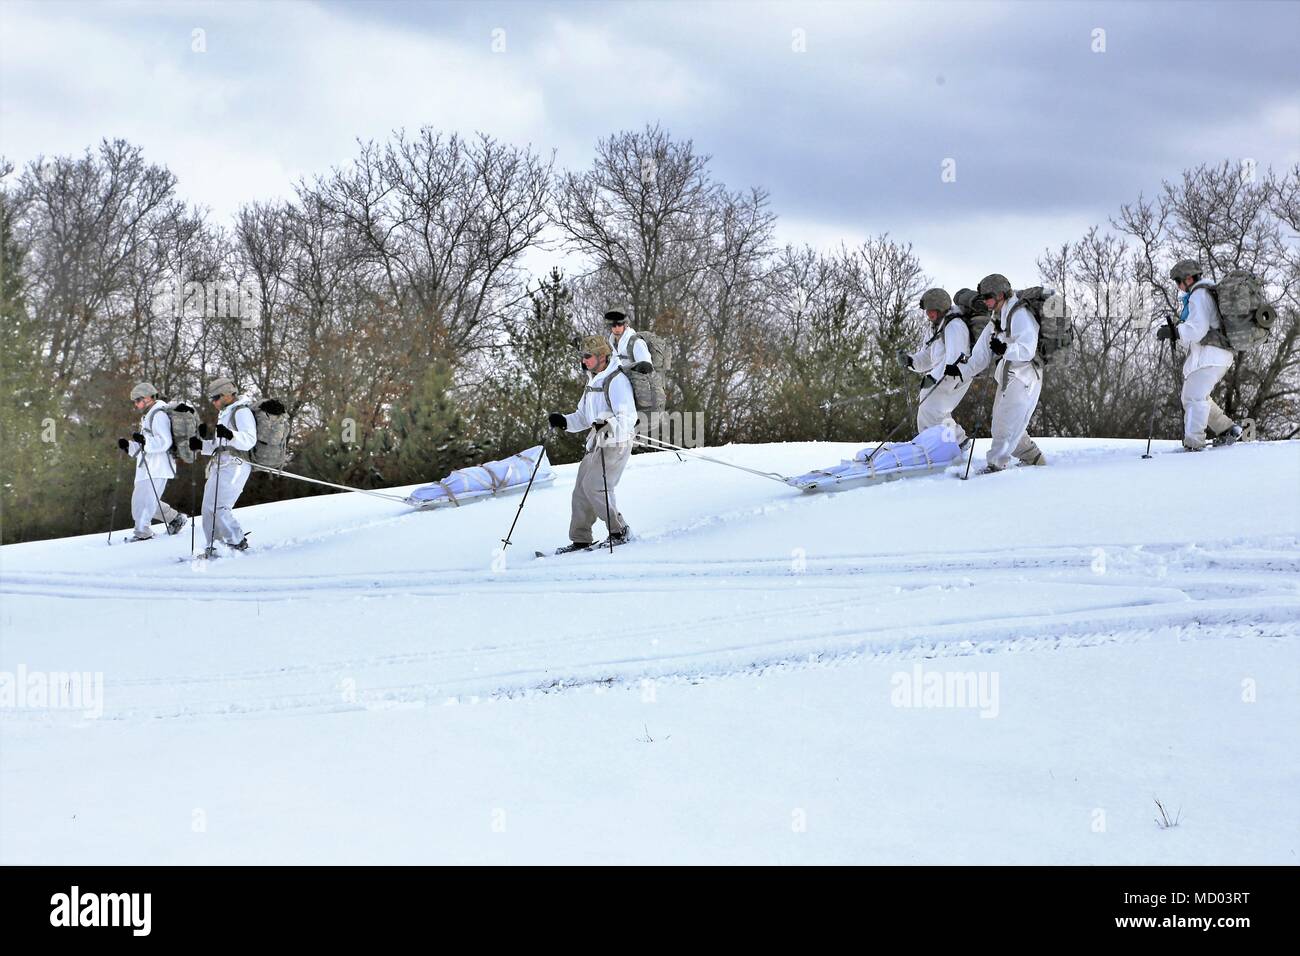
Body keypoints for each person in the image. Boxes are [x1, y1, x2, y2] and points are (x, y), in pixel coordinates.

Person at [945, 274, 1046, 473]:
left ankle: (997, 465)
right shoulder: (996, 318)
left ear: (1000, 295)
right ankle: (1033, 458)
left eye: (988, 298)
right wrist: (960, 370)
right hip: (1009, 375)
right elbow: (981, 355)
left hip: (1025, 376)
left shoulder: (1020, 313)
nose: (985, 302)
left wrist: (1005, 349)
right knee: (1001, 423)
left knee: (1006, 423)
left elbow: (1027, 348)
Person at [546, 335, 638, 553]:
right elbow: (583, 416)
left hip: (616, 442)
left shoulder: (616, 381)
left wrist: (609, 424)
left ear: (602, 357)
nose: (584, 361)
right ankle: (581, 539)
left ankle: (620, 531)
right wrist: (565, 421)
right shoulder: (593, 381)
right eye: (583, 357)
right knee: (580, 490)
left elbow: (628, 417)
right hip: (596, 441)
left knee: (595, 485)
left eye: (588, 356)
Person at [1159, 260, 1243, 451]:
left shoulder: (1199, 295)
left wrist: (1174, 332)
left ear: (1188, 278)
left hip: (1212, 355)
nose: (1178, 286)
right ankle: (1227, 429)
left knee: (1195, 397)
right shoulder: (1204, 292)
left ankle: (1194, 444)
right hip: (1214, 355)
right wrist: (1175, 330)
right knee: (1192, 395)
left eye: (1178, 281)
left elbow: (1197, 329)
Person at [187, 376, 257, 557]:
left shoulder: (241, 412)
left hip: (236, 465)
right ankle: (215, 545)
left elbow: (249, 440)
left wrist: (231, 434)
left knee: (220, 507)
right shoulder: (225, 413)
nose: (214, 402)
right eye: (212, 398)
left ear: (227, 394)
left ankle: (236, 540)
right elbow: (220, 445)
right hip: (221, 463)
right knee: (208, 507)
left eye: (216, 397)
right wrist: (201, 445)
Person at [897, 288, 972, 448]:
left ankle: (948, 443)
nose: (929, 314)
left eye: (933, 311)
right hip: (942, 375)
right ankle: (950, 442)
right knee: (932, 410)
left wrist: (933, 378)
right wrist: (910, 361)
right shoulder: (935, 328)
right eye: (927, 311)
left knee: (931, 408)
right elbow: (927, 357)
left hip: (956, 375)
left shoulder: (955, 326)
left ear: (941, 308)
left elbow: (956, 357)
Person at [118, 382, 186, 541]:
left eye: (138, 400)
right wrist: (129, 446)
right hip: (147, 467)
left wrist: (144, 442)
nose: (135, 404)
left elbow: (164, 442)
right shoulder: (149, 416)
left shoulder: (158, 414)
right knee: (146, 502)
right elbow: (145, 444)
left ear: (148, 398)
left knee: (142, 503)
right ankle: (175, 518)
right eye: (134, 401)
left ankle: (143, 534)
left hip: (157, 467)